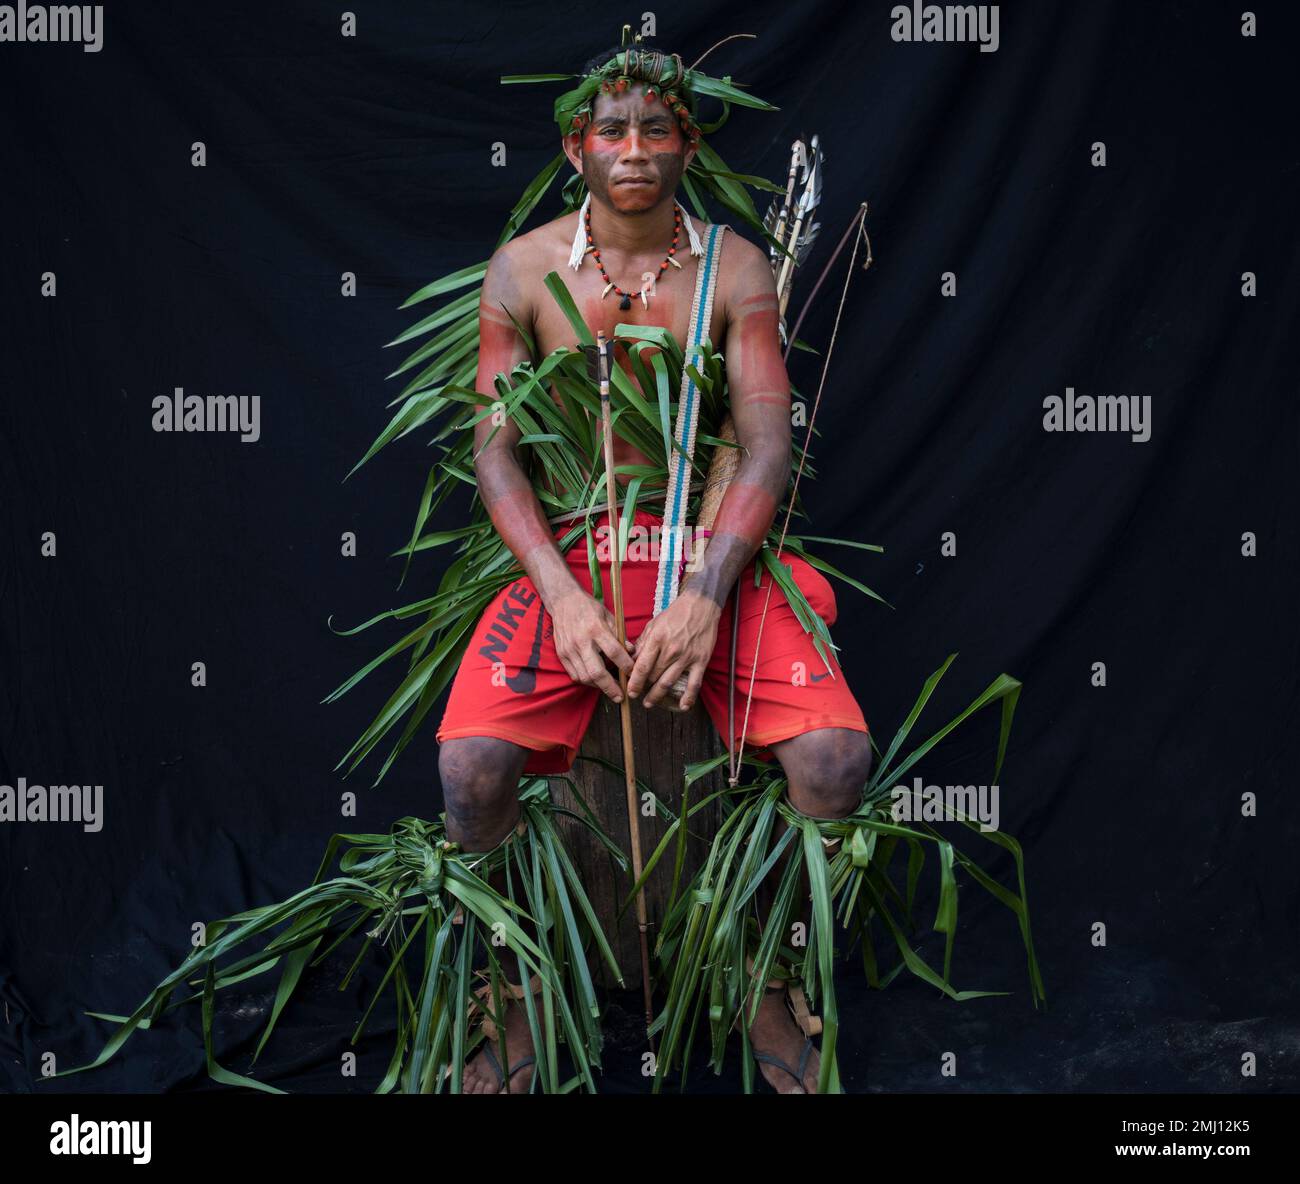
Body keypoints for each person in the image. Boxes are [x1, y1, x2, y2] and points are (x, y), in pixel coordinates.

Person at [434, 37, 873, 1094]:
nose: (634, 147)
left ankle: (765, 974)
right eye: (612, 130)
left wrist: (706, 593)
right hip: (577, 552)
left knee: (832, 762)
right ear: (575, 146)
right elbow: (493, 446)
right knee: (470, 771)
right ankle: (519, 979)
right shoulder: (524, 267)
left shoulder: (735, 267)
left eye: (657, 129)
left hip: (712, 549)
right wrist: (558, 591)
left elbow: (767, 440)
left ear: (688, 142)